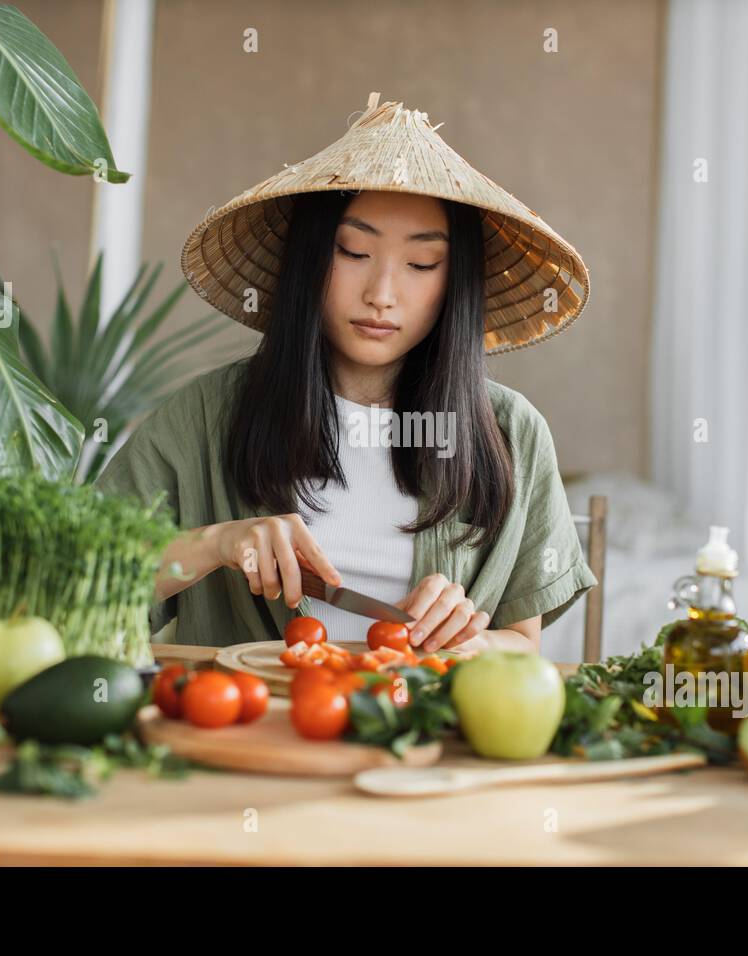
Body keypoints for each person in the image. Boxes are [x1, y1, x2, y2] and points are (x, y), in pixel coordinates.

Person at [96, 93, 596, 656]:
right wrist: (215, 543)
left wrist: (470, 638)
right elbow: (83, 583)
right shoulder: (207, 415)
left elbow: (523, 643)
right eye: (354, 252)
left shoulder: (509, 432)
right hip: (252, 734)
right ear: (310, 259)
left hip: (420, 737)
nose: (382, 296)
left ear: (454, 283)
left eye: (421, 264)